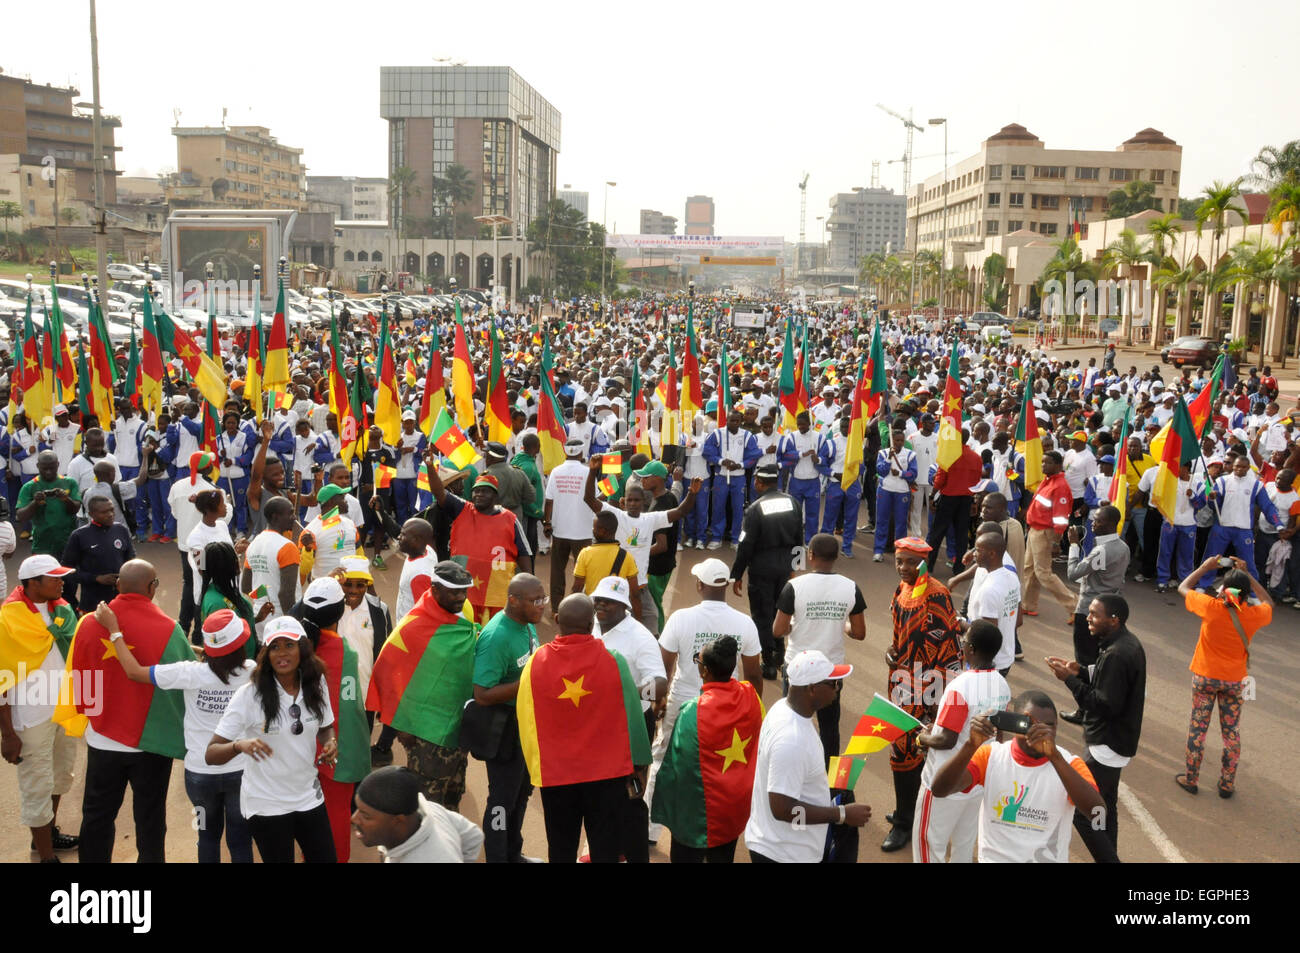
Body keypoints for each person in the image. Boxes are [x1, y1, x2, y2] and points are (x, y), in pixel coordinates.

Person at [98, 607, 256, 863]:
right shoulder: (253, 671)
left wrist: (114, 630)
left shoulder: (189, 672)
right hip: (242, 774)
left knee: (206, 837)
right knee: (240, 839)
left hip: (200, 776)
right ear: (241, 645)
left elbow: (134, 671)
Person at [64, 559, 189, 864]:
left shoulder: (89, 624)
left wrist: (98, 720)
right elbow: (183, 686)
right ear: (152, 588)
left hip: (103, 740)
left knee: (96, 815)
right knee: (150, 816)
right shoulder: (170, 629)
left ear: (118, 585)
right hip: (151, 744)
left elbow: (80, 682)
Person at [515, 593, 652, 863]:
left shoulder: (536, 663)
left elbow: (525, 717)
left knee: (561, 846)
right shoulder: (614, 661)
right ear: (592, 624)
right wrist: (639, 764)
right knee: (605, 848)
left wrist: (536, 768)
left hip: (556, 776)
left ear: (556, 620)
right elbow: (632, 715)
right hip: (606, 776)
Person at [208, 616, 338, 863]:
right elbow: (211, 753)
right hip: (267, 804)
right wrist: (239, 746)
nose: (282, 653)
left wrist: (330, 742)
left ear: (302, 647)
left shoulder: (315, 682)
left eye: (288, 645)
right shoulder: (249, 695)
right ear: (265, 654)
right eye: (274, 647)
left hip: (308, 796)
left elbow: (326, 726)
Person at [929, 690, 1104, 862]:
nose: (1039, 732)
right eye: (1030, 724)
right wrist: (970, 745)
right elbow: (940, 789)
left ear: (1056, 727)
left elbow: (1098, 814)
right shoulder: (990, 756)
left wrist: (1054, 757)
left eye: (1048, 725)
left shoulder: (1070, 764)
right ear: (1014, 723)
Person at [367, 561, 478, 811]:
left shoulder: (465, 609)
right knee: (427, 808)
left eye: (464, 591)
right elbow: (385, 671)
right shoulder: (413, 627)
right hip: (426, 737)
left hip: (458, 728)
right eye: (454, 592)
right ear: (435, 589)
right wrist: (398, 726)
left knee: (452, 798)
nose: (461, 597)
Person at [742, 650, 871, 862]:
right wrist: (841, 814)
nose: (837, 689)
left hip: (780, 845)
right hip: (784, 854)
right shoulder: (792, 740)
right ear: (812, 689)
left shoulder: (783, 708)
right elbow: (782, 809)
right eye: (833, 684)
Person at [1044, 593, 1144, 863]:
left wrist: (1069, 680)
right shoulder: (1121, 644)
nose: (1088, 617)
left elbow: (1104, 704)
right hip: (1113, 741)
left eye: (1095, 614)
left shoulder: (1118, 653)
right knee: (1105, 807)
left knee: (1087, 813)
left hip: (1107, 744)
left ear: (1114, 620)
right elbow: (1111, 683)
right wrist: (1082, 671)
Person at [651, 635, 765, 863]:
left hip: (698, 815)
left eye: (698, 661)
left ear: (705, 671)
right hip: (733, 808)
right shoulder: (750, 695)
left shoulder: (691, 711)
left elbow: (678, 767)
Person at [882, 536, 963, 853]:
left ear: (924, 563)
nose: (903, 567)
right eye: (899, 560)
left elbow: (950, 646)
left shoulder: (937, 595)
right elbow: (899, 635)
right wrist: (892, 651)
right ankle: (906, 813)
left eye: (910, 562)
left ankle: (906, 822)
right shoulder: (901, 590)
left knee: (912, 751)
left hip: (927, 687)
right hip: (902, 683)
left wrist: (936, 699)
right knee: (901, 752)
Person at [0, 555, 79, 862]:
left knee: (60, 775)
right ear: (33, 584)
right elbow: (2, 680)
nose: (62, 582)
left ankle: (47, 835)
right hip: (30, 718)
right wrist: (7, 733)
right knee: (36, 785)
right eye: (54, 578)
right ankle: (46, 857)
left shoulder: (63, 609)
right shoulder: (8, 619)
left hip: (62, 709)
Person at [1175, 555, 1272, 798]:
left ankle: (1191, 778)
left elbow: (1182, 587)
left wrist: (1204, 567)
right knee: (1231, 733)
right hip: (1235, 680)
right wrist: (1249, 575)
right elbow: (1268, 601)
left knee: (1198, 728)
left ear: (1223, 591)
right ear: (1245, 593)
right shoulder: (1252, 615)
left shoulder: (1211, 607)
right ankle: (1227, 784)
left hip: (1205, 677)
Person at [913, 620, 1010, 863]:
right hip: (977, 780)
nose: (962, 645)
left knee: (929, 846)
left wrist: (922, 737)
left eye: (964, 642)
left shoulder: (960, 687)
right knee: (964, 846)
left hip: (945, 781)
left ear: (972, 650)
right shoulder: (1002, 684)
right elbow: (999, 734)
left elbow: (946, 739)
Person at [293, 576, 374, 862]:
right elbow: (352, 708)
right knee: (337, 815)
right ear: (340, 612)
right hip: (338, 752)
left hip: (302, 748)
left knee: (309, 812)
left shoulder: (294, 650)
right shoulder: (345, 652)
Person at [772, 533, 866, 762]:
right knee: (829, 728)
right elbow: (859, 633)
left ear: (810, 555)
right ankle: (829, 783)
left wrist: (794, 624)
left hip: (797, 668)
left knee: (791, 723)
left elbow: (777, 630)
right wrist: (841, 625)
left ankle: (791, 766)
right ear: (836, 558)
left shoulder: (794, 586)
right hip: (831, 670)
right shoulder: (850, 587)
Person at [472, 573, 545, 863]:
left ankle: (513, 853)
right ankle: (498, 857)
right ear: (513, 600)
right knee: (501, 802)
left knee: (521, 794)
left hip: (525, 725)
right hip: (503, 729)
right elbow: (482, 693)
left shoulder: (526, 624)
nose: (541, 605)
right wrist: (530, 680)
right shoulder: (497, 636)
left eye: (543, 599)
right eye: (534, 600)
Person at [592, 574, 666, 862]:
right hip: (598, 725)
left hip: (631, 728)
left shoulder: (640, 637)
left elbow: (659, 684)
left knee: (631, 795)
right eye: (598, 599)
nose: (601, 605)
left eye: (609, 602)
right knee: (600, 792)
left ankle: (633, 853)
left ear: (625, 606)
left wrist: (622, 692)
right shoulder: (590, 626)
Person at [582, 457, 701, 634]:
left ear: (644, 503)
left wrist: (692, 493)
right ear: (624, 501)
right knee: (613, 628)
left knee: (651, 622)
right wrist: (592, 472)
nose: (632, 504)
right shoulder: (617, 516)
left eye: (636, 501)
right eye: (629, 500)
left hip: (640, 586)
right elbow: (589, 499)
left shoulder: (650, 519)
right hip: (619, 586)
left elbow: (681, 512)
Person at [429, 465, 533, 624]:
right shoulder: (462, 509)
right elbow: (439, 492)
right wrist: (430, 466)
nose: (479, 494)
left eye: (485, 491)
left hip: (496, 594)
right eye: (476, 491)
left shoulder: (510, 518)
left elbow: (524, 554)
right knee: (463, 631)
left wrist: (528, 584)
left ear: (495, 496)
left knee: (491, 635)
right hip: (462, 590)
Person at [731, 463, 804, 680]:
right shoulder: (793, 503)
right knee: (780, 611)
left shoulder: (755, 508)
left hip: (762, 569)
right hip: (785, 568)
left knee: (762, 616)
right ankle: (780, 654)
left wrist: (736, 575)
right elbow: (800, 538)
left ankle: (769, 662)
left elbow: (746, 546)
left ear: (759, 482)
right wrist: (796, 569)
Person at [1059, 505, 1130, 723]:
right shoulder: (1123, 547)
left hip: (1089, 610)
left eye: (1097, 521)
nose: (1092, 523)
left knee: (1084, 663)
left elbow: (1072, 573)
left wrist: (1073, 545)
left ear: (1109, 524)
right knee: (1098, 662)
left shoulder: (1102, 550)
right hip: (1111, 609)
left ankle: (1085, 710)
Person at [351, 765, 483, 863]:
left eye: (366, 815)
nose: (354, 818)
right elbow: (474, 835)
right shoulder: (429, 809)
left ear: (398, 820)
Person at [1020, 450, 1076, 619]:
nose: (1043, 465)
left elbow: (1061, 517)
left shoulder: (1060, 486)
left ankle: (1076, 607)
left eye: (1048, 462)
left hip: (1045, 533)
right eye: (1043, 462)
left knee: (1043, 573)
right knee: (1029, 569)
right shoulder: (1047, 480)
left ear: (1058, 466)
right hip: (1035, 530)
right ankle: (1028, 605)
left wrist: (1055, 542)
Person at [544, 437, 593, 611]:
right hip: (584, 532)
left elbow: (548, 500)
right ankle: (580, 607)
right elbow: (596, 498)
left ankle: (556, 608)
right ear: (581, 452)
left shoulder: (556, 472)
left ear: (566, 451)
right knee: (584, 572)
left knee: (557, 571)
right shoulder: (588, 472)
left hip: (560, 531)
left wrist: (546, 523)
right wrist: (613, 482)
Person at [61, 496, 135, 613]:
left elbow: (131, 560)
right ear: (91, 514)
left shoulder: (121, 530)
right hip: (92, 604)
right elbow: (66, 570)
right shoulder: (79, 536)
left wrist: (124, 576)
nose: (110, 514)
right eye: (104, 512)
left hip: (121, 600)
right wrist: (96, 578)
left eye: (112, 510)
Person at [241, 496, 302, 638]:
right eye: (290, 513)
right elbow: (286, 594)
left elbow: (246, 587)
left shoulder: (254, 544)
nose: (294, 517)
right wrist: (294, 622)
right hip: (281, 620)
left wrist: (267, 593)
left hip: (260, 617)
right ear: (276, 517)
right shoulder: (287, 547)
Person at [926, 429, 982, 573]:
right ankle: (959, 568)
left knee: (937, 533)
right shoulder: (976, 457)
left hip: (948, 498)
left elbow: (939, 479)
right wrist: (974, 502)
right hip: (966, 499)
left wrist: (932, 496)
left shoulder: (949, 455)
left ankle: (929, 565)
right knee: (961, 535)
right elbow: (976, 482)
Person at [14, 451, 81, 557]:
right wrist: (35, 503)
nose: (48, 472)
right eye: (44, 469)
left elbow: (75, 509)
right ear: (37, 466)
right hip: (42, 545)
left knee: (69, 573)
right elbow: (21, 516)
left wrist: (65, 499)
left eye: (52, 468)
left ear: (58, 464)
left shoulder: (70, 482)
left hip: (68, 542)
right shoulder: (29, 486)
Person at [571, 510, 641, 609]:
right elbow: (635, 594)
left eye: (594, 527)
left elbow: (577, 588)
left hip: (593, 608)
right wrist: (638, 621)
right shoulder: (627, 556)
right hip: (616, 610)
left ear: (602, 531)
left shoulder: (585, 553)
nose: (592, 529)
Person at [873, 426, 918, 562]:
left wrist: (900, 473)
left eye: (901, 440)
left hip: (902, 492)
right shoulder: (883, 453)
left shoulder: (910, 455)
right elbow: (880, 471)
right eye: (896, 440)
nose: (899, 443)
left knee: (901, 523)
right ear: (892, 440)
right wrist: (888, 459)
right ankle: (878, 550)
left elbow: (913, 474)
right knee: (881, 520)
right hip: (885, 490)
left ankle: (900, 551)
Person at [393, 517, 439, 622]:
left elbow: (425, 614)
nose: (399, 537)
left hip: (409, 629)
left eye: (403, 535)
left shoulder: (419, 575)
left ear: (416, 540)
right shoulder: (427, 550)